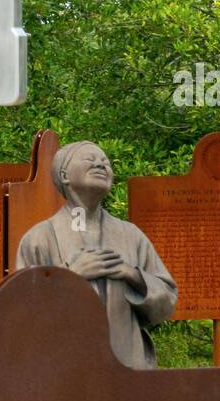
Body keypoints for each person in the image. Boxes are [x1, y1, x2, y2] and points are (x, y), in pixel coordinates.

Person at [14, 140, 176, 369]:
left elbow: (166, 303)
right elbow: (20, 313)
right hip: (64, 372)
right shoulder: (40, 238)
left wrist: (133, 275)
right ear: (64, 175)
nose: (101, 165)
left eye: (105, 162)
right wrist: (71, 277)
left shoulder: (131, 235)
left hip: (127, 368)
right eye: (90, 160)